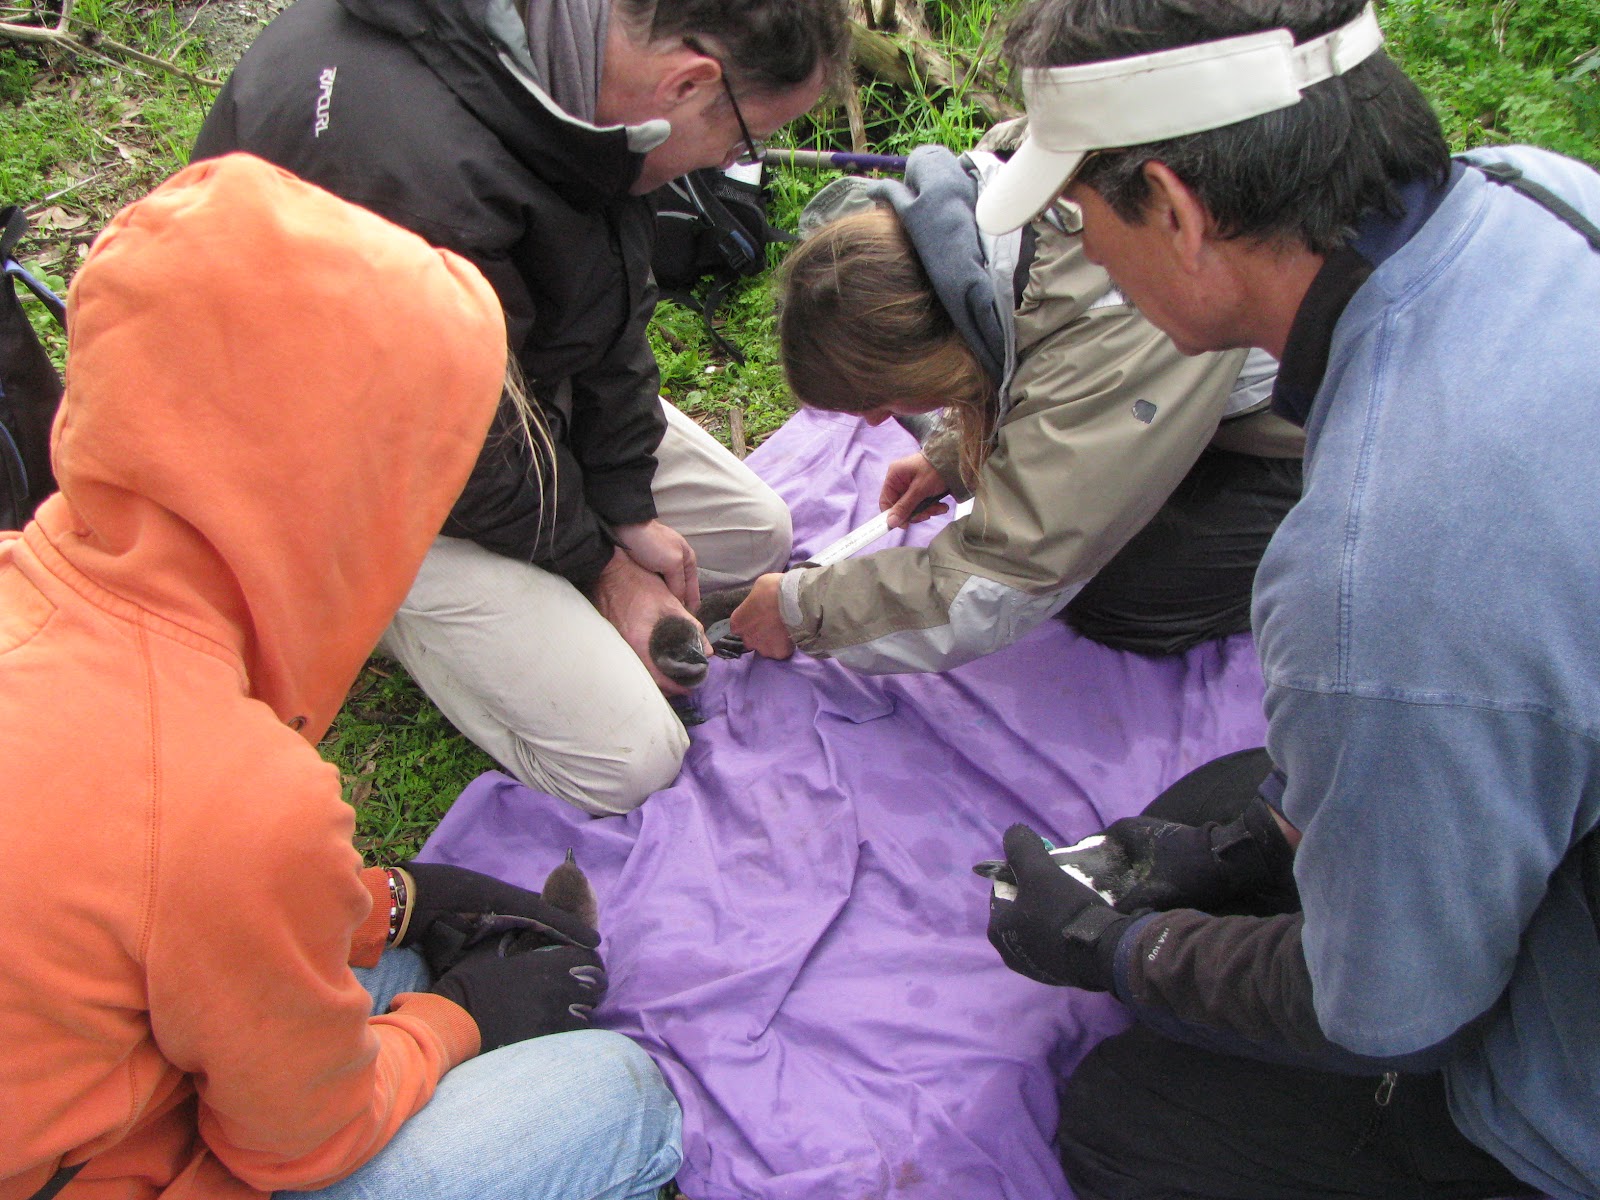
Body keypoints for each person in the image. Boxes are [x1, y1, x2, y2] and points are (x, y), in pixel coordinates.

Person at [971, 2, 1600, 1198]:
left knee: (1127, 1118)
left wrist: (1122, 948)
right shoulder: (1536, 194)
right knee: (1226, 803)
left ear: (1177, 207)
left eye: (1079, 213)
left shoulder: (1376, 579)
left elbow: (1393, 1017)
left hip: (1568, 1106)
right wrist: (1246, 840)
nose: (1088, 251)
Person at [0, 154, 681, 1200]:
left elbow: (114, 901)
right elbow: (300, 1146)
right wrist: (465, 1022)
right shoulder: (226, 796)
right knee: (614, 1093)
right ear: (333, 492)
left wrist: (392, 905)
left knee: (370, 980)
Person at [192, 0, 849, 814]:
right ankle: (371, 608)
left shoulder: (583, 68)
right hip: (353, 471)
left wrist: (625, 499)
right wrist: (603, 565)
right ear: (690, 82)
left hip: (506, 385)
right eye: (744, 142)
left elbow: (614, 305)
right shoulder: (417, 180)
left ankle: (545, 593)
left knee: (756, 535)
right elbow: (450, 448)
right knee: (632, 763)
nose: (732, 162)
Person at [729, 135, 1300, 670]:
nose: (879, 421)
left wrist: (803, 609)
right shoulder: (986, 214)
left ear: (933, 360)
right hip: (1174, 389)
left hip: (1295, 433)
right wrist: (952, 457)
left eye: (880, 398)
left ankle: (1325, 554)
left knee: (1119, 592)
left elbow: (1008, 573)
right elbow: (1025, 354)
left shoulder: (1115, 321)